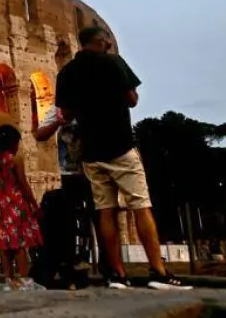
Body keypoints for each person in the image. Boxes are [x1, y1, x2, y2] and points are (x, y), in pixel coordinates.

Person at [55, 26, 190, 290]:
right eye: (106, 40)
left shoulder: (67, 73)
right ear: (100, 41)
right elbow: (132, 100)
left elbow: (66, 113)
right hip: (120, 145)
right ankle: (158, 272)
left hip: (91, 152)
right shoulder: (113, 62)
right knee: (141, 205)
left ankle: (117, 275)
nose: (108, 43)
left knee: (105, 210)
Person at [34, 94, 94, 288]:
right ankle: (70, 261)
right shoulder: (58, 109)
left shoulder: (92, 106)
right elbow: (40, 134)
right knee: (67, 219)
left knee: (100, 216)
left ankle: (108, 266)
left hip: (96, 169)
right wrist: (58, 122)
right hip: (70, 172)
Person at [0, 125, 43, 291]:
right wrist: (34, 204)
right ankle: (25, 280)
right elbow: (23, 184)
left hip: (3, 207)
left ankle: (9, 280)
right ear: (12, 142)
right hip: (17, 205)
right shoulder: (15, 159)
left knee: (6, 245)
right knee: (20, 243)